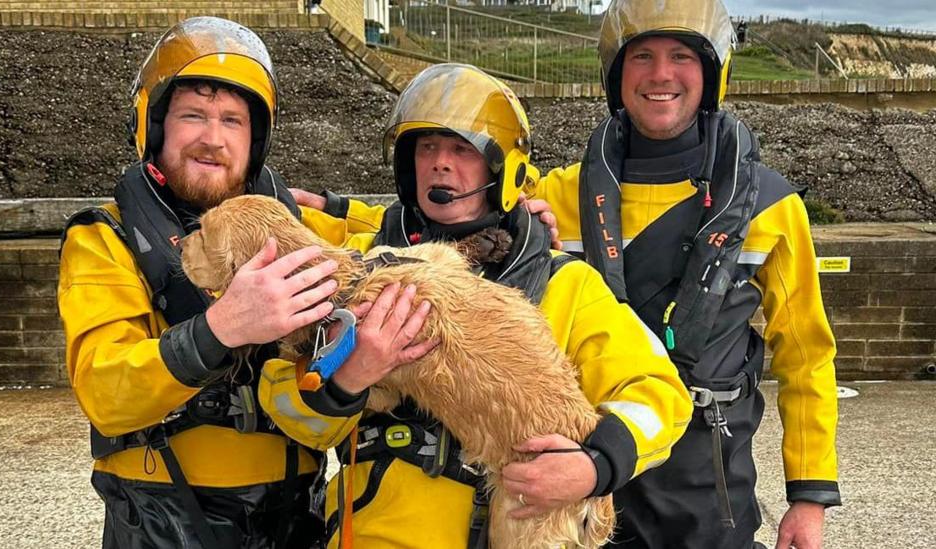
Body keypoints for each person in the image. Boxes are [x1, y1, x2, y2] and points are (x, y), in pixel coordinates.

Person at [259, 63, 693, 548]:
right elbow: (285, 409)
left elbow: (659, 394)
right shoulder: (356, 273)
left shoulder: (563, 283)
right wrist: (346, 380)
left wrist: (595, 466)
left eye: (462, 148)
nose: (440, 163)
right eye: (426, 148)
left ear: (502, 169)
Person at [58, 17, 422, 548]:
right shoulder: (104, 239)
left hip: (294, 512)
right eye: (192, 116)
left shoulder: (300, 226)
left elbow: (425, 218)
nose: (213, 139)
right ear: (155, 127)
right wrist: (221, 326)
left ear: (256, 140)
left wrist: (520, 211)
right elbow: (104, 391)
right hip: (165, 516)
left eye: (232, 120)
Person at [525, 1, 842, 547]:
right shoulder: (556, 197)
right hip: (585, 475)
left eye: (681, 56)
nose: (661, 74)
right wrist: (335, 212)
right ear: (616, 75)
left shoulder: (770, 205)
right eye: (642, 56)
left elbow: (806, 355)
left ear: (713, 72)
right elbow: (453, 209)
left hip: (710, 488)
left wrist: (808, 497)